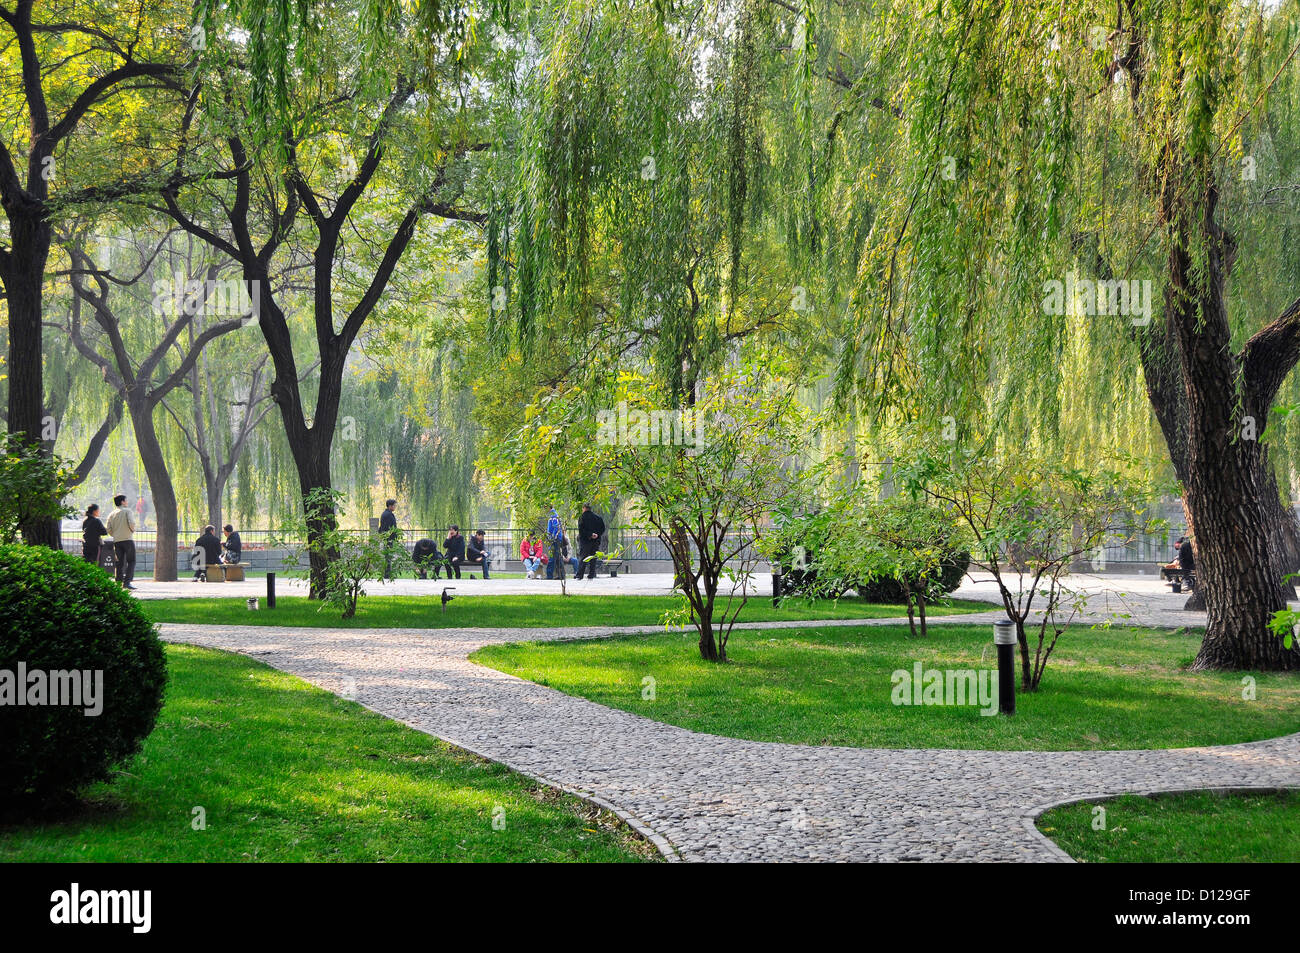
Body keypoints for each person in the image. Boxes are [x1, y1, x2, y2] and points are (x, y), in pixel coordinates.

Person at [105, 494, 136, 589]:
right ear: (122, 501)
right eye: (126, 500)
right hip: (127, 539)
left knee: (119, 562)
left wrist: (115, 535)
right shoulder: (127, 511)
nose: (127, 502)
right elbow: (131, 523)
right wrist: (132, 530)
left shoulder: (111, 514)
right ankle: (127, 582)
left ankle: (118, 582)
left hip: (117, 541)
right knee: (131, 561)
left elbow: (108, 528)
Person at [575, 503, 606, 580]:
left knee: (583, 557)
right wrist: (597, 535)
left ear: (584, 508)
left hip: (586, 541)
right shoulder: (598, 518)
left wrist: (590, 535)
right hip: (596, 541)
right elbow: (602, 528)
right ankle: (591, 574)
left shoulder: (582, 517)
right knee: (593, 558)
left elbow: (581, 530)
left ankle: (580, 575)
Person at [378, 498, 400, 581]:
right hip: (388, 538)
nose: (395, 507)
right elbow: (388, 527)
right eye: (394, 505)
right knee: (388, 556)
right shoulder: (388, 515)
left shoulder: (386, 513)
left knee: (388, 556)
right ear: (390, 506)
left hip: (386, 538)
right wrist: (392, 536)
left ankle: (388, 573)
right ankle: (387, 574)